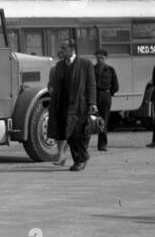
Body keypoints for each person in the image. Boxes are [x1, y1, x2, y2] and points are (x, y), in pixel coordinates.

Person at [47, 38, 97, 171]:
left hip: (79, 106)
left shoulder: (85, 64)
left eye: (64, 48)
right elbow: (55, 85)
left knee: (77, 134)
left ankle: (80, 159)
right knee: (68, 134)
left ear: (72, 49)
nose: (61, 50)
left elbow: (91, 85)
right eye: (61, 48)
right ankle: (81, 158)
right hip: (63, 106)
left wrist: (92, 103)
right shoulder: (59, 66)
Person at [93, 48, 119, 151]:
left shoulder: (110, 70)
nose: (100, 60)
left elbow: (116, 85)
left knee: (103, 121)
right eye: (98, 57)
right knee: (90, 121)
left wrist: (109, 93)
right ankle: (85, 145)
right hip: (94, 96)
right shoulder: (91, 68)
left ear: (105, 58)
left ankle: (102, 144)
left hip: (105, 96)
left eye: (102, 58)